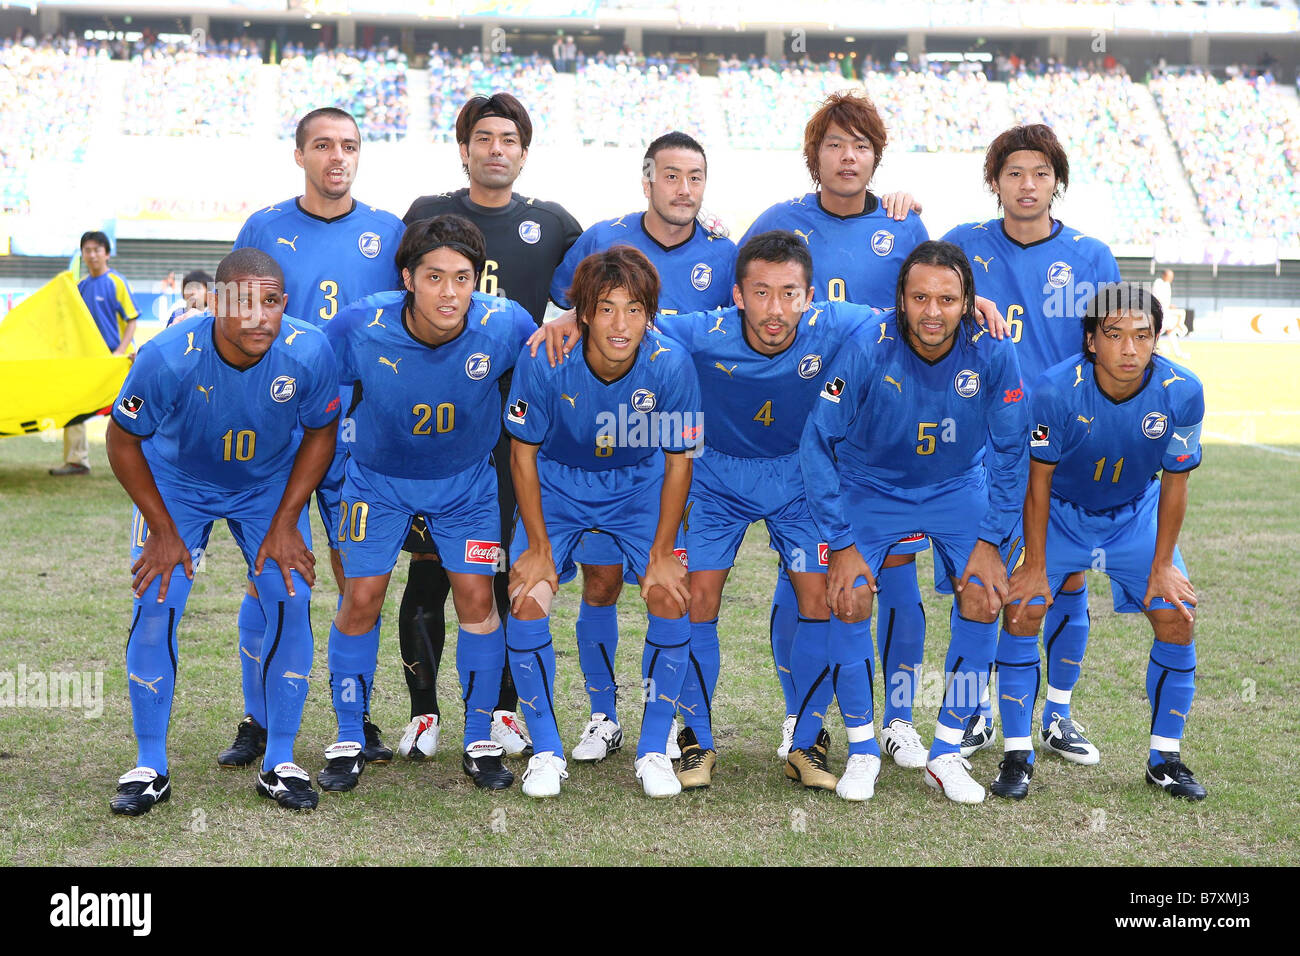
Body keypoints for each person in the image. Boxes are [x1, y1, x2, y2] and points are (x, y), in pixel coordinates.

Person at [537, 231, 881, 790]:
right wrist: (571, 321)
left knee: (820, 598)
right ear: (737, 295)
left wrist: (976, 302)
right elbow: (628, 325)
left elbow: (907, 316)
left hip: (797, 478)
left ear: (810, 295)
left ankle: (808, 738)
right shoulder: (702, 332)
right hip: (716, 478)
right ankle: (696, 737)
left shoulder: (837, 324)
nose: (776, 309)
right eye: (761, 292)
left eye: (790, 293)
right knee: (697, 597)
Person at [105, 248, 339, 815]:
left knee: (291, 594)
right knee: (158, 598)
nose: (258, 317)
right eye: (242, 302)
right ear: (214, 303)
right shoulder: (167, 356)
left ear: (285, 303)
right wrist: (162, 529)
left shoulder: (309, 350)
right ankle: (150, 764)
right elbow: (121, 439)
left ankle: (279, 759)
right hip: (178, 482)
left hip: (266, 484)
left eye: (271, 302)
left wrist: (286, 521)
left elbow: (321, 431)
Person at [740, 89, 933, 762]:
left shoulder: (907, 228)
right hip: (803, 431)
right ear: (813, 155)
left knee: (898, 572)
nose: (847, 158)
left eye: (860, 146)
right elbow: (733, 304)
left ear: (876, 156)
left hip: (884, 435)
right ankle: (804, 717)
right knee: (808, 576)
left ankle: (900, 719)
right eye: (834, 144)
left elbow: (934, 308)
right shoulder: (779, 223)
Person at [798, 240, 1028, 804]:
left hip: (955, 488)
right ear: (899, 300)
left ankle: (946, 752)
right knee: (849, 595)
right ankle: (862, 750)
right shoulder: (867, 346)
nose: (932, 311)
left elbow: (1013, 448)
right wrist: (842, 541)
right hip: (871, 487)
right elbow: (815, 442)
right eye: (919, 297)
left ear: (968, 301)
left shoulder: (994, 350)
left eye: (947, 299)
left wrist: (993, 540)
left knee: (982, 595)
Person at [319, 215, 536, 793]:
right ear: (408, 279)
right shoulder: (360, 326)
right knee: (361, 597)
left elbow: (550, 350)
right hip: (377, 483)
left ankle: (480, 738)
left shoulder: (505, 323)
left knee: (475, 598)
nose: (449, 292)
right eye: (434, 277)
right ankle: (346, 736)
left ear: (477, 281)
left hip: (466, 486)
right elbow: (311, 378)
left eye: (461, 278)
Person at [398, 93, 583, 761]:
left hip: (515, 430)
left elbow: (606, 279)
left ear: (524, 153)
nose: (497, 148)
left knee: (505, 566)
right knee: (429, 568)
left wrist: (571, 316)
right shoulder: (425, 214)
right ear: (465, 147)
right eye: (485, 137)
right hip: (437, 426)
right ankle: (423, 714)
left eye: (510, 138)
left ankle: (503, 710)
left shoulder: (554, 223)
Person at [546, 130, 737, 763]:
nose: (685, 189)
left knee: (674, 588)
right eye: (672, 176)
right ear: (647, 179)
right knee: (599, 584)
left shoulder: (724, 251)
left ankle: (678, 726)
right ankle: (603, 717)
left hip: (677, 447)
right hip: (603, 442)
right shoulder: (603, 237)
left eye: (696, 177)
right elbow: (562, 313)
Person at [225, 106, 405, 771]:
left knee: (359, 579)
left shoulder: (390, 233)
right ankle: (257, 717)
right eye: (324, 145)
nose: (338, 156)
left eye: (350, 146)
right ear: (299, 154)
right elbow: (237, 325)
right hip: (281, 432)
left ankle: (353, 720)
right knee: (269, 571)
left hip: (361, 436)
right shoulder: (264, 228)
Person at [944, 123, 1121, 766]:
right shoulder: (962, 245)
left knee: (1067, 577)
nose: (1028, 185)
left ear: (1057, 181)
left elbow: (1110, 348)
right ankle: (976, 713)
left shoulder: (1092, 256)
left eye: (1041, 173)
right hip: (983, 435)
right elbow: (925, 305)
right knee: (983, 580)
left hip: (1064, 437)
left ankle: (1059, 712)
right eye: (1015, 172)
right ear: (996, 181)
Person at [995, 282, 1205, 801]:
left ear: (1158, 338)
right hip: (1061, 514)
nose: (1130, 349)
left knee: (1177, 614)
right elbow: (1036, 483)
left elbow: (1175, 487)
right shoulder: (1053, 390)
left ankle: (1165, 758)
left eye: (1143, 335)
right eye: (1115, 335)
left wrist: (1161, 566)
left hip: (1135, 516)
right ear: (1091, 340)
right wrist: (1036, 563)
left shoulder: (1183, 390)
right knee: (1022, 608)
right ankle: (1016, 754)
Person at [505, 246, 702, 798]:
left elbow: (678, 459)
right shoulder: (546, 357)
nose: (622, 324)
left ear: (650, 314)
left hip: (638, 487)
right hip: (559, 484)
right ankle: (545, 750)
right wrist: (539, 547)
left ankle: (652, 748)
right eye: (608, 308)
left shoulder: (671, 363)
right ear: (584, 312)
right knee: (527, 598)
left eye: (635, 310)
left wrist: (663, 550)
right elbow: (522, 454)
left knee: (668, 595)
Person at [51, 231, 139, 477]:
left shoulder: (116, 282)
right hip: (89, 363)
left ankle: (142, 463)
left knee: (129, 411)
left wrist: (120, 352)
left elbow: (131, 319)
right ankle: (77, 460)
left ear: (106, 253)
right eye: (87, 250)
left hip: (118, 361)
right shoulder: (80, 287)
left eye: (96, 250)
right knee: (74, 407)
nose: (91, 255)